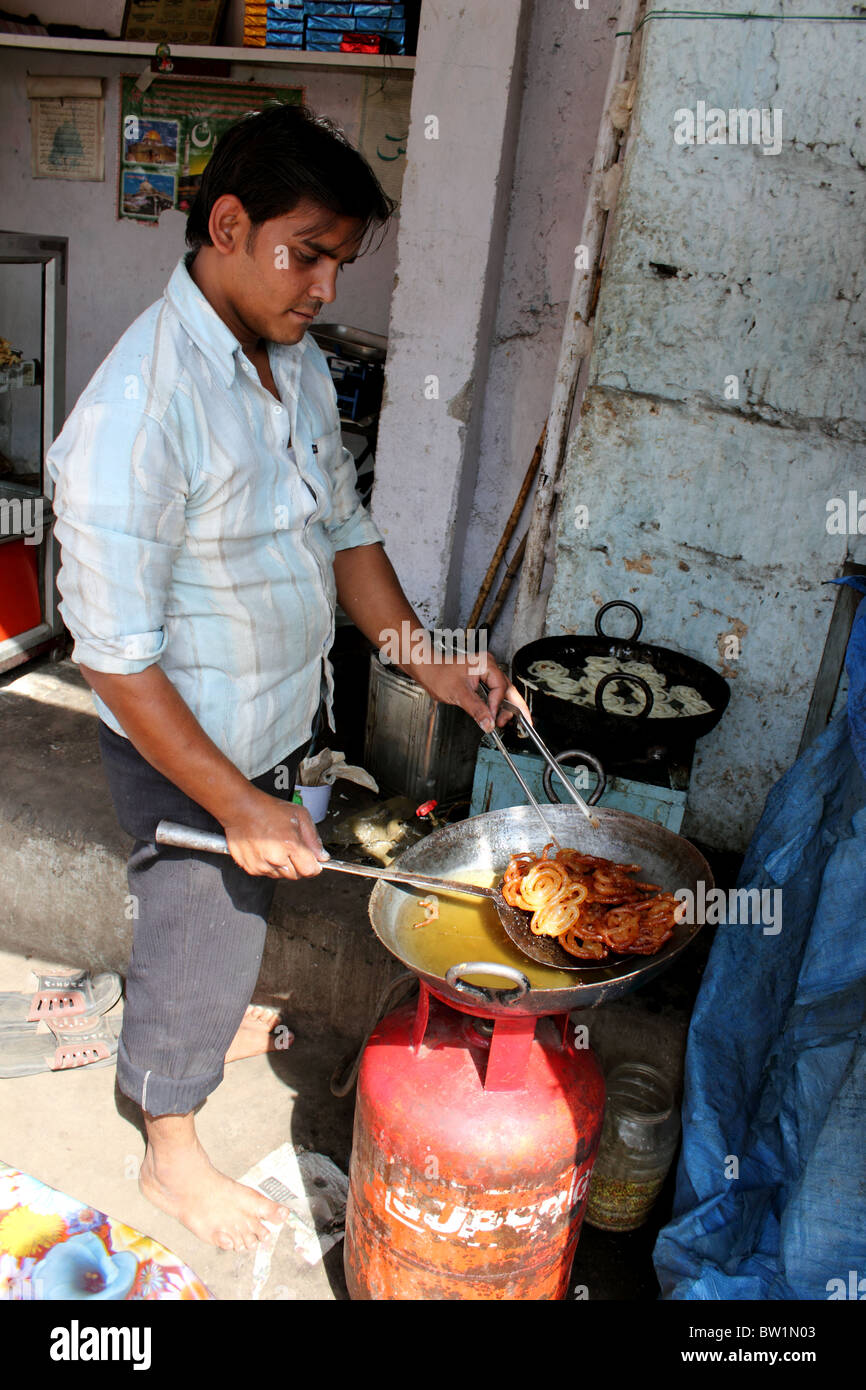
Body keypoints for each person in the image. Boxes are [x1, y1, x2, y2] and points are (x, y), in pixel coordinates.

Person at [46, 104, 527, 1253]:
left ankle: (213, 999)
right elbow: (115, 663)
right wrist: (235, 804)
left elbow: (345, 532)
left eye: (338, 263)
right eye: (304, 253)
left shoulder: (290, 363)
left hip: (272, 719)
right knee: (195, 927)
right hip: (186, 744)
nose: (322, 287)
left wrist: (429, 660)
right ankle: (169, 1146)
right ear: (226, 223)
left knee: (245, 903)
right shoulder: (133, 418)